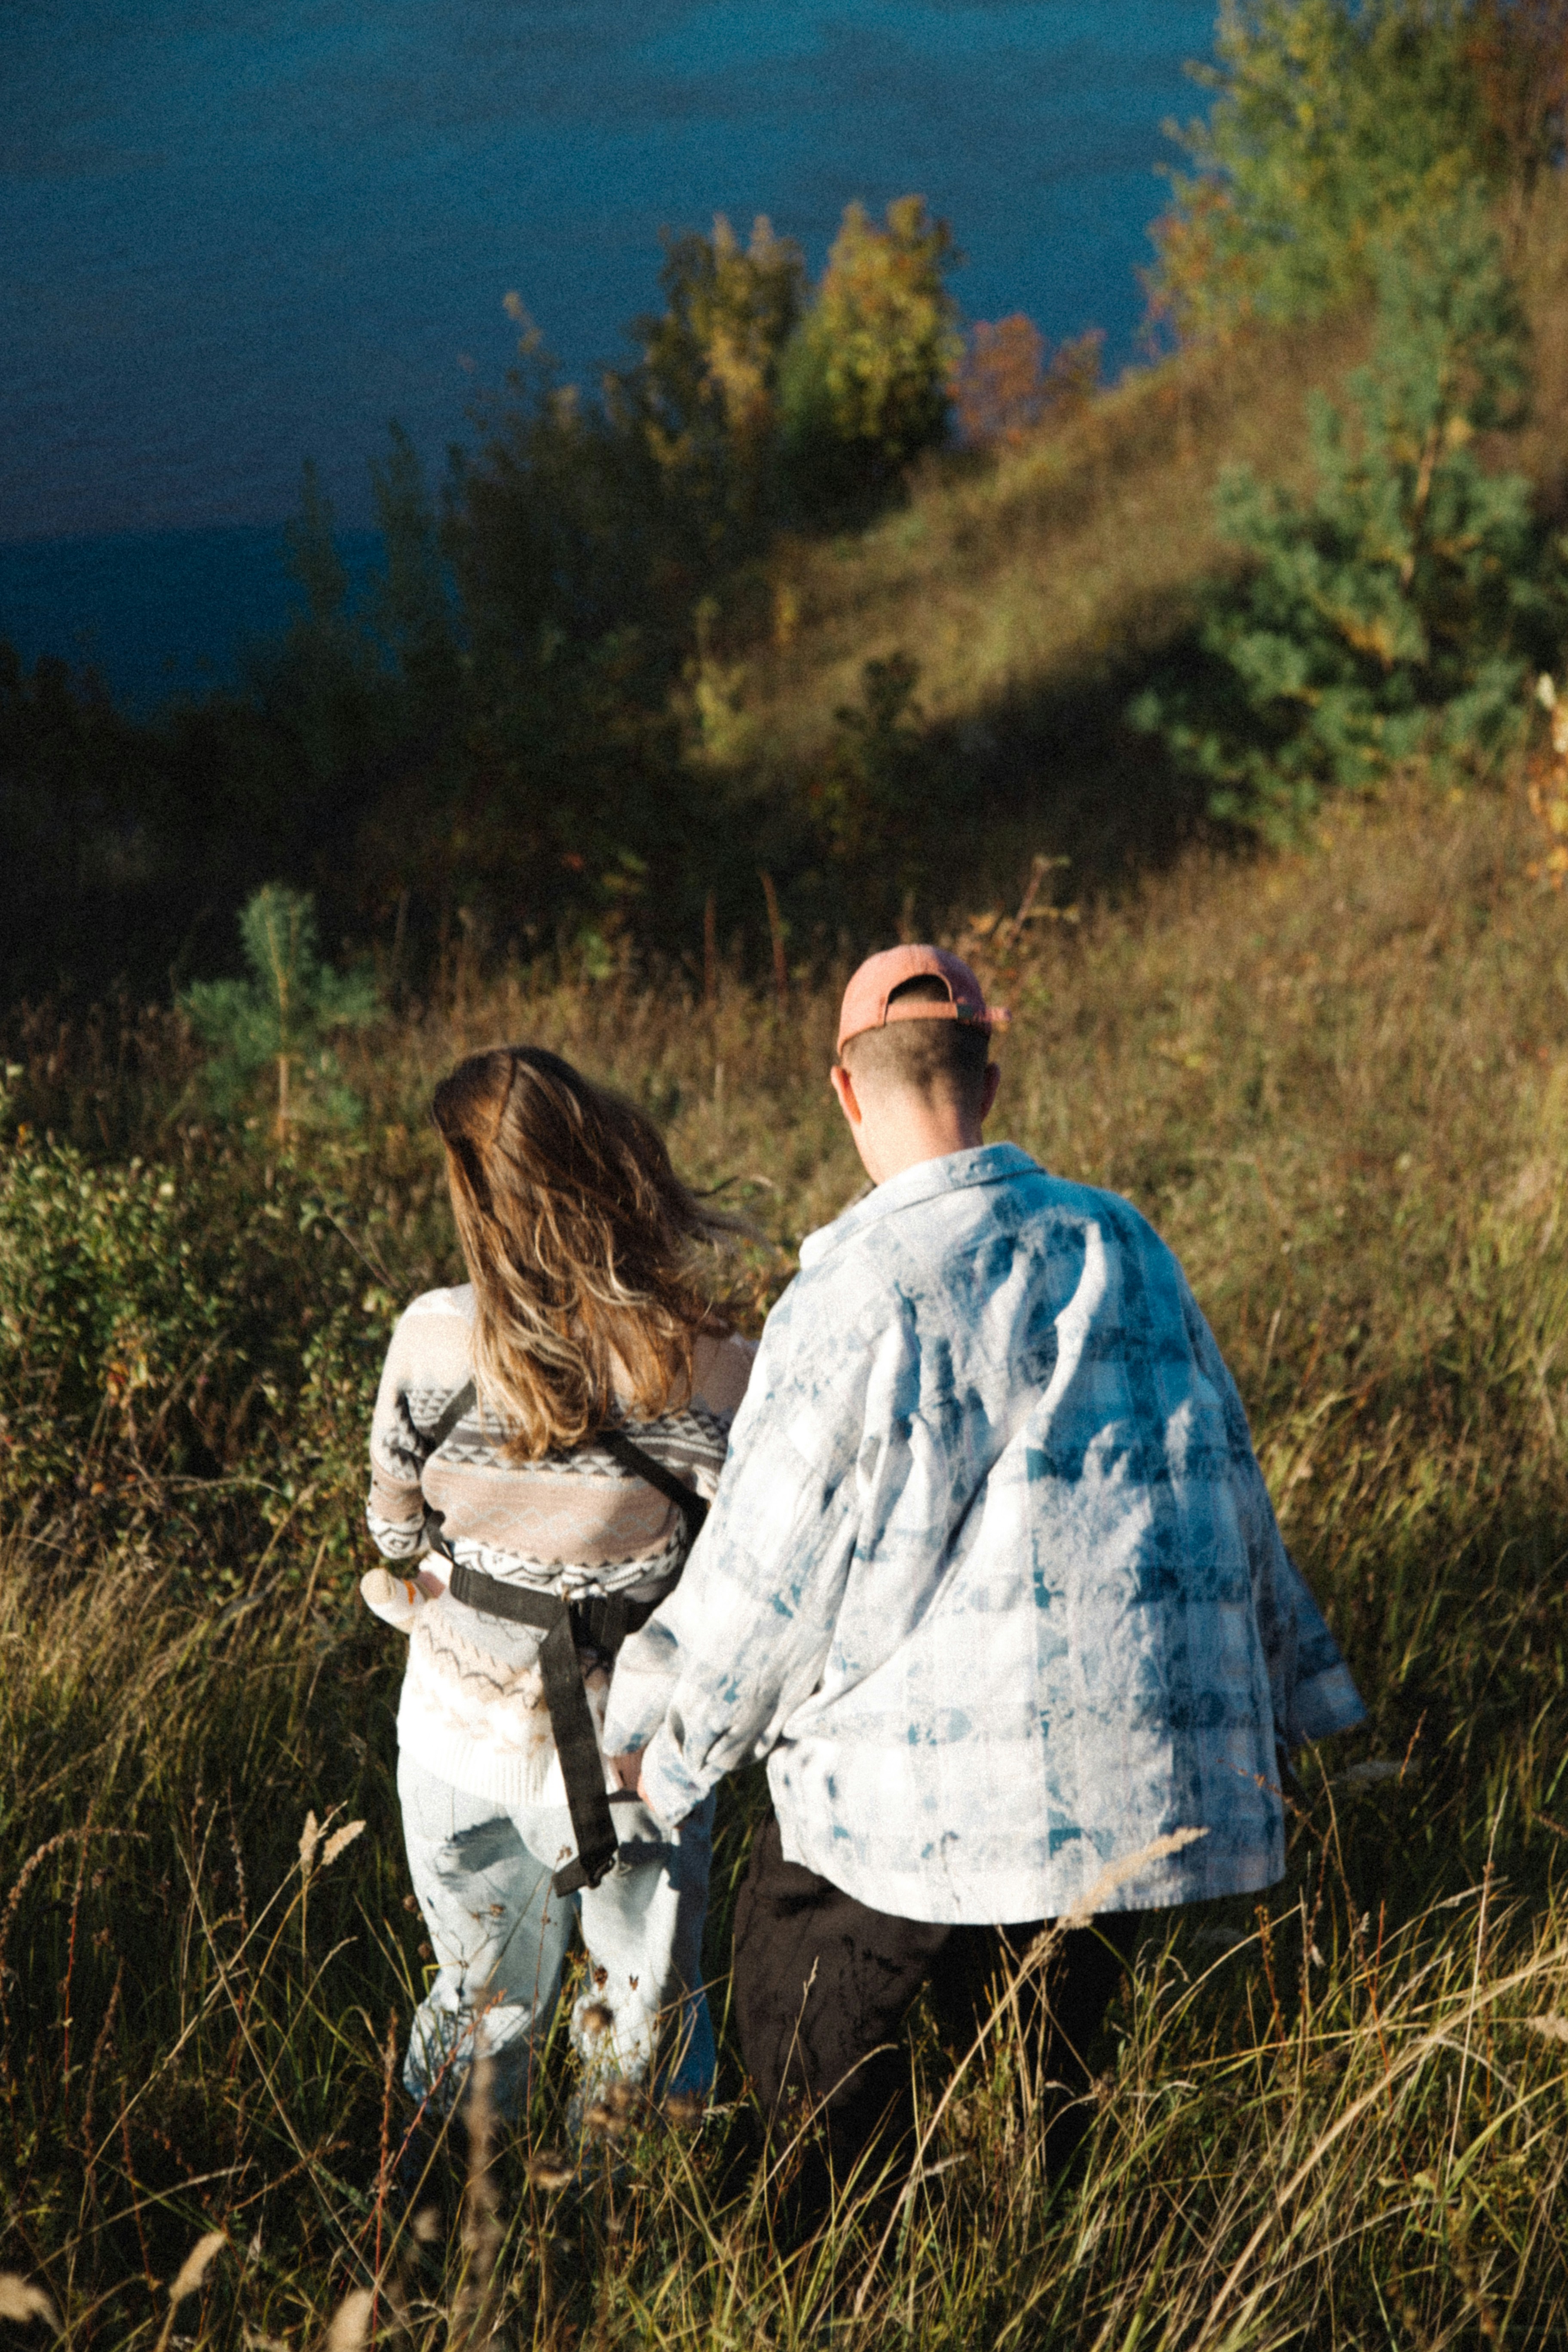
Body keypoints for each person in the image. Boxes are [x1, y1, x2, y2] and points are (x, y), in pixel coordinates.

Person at [604, 944, 1364, 2190]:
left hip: (909, 1817)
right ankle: (1041, 2267)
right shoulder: (1129, 1244)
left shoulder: (857, 1287)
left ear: (846, 1093)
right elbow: (1226, 1480)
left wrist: (659, 1749)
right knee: (1047, 2098)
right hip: (1120, 1800)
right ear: (989, 1081)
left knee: (812, 2080)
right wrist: (1294, 1704)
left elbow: (770, 1573)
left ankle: (844, 2287)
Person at [361, 1044, 753, 2152]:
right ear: (602, 1159)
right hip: (636, 1757)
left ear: (472, 1195)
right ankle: (617, 2242)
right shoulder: (707, 1362)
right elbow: (759, 1561)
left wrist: (447, 1565)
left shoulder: (430, 1340)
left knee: (480, 1998)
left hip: (455, 1741)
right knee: (641, 2017)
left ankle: (452, 2208)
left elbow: (393, 1525)